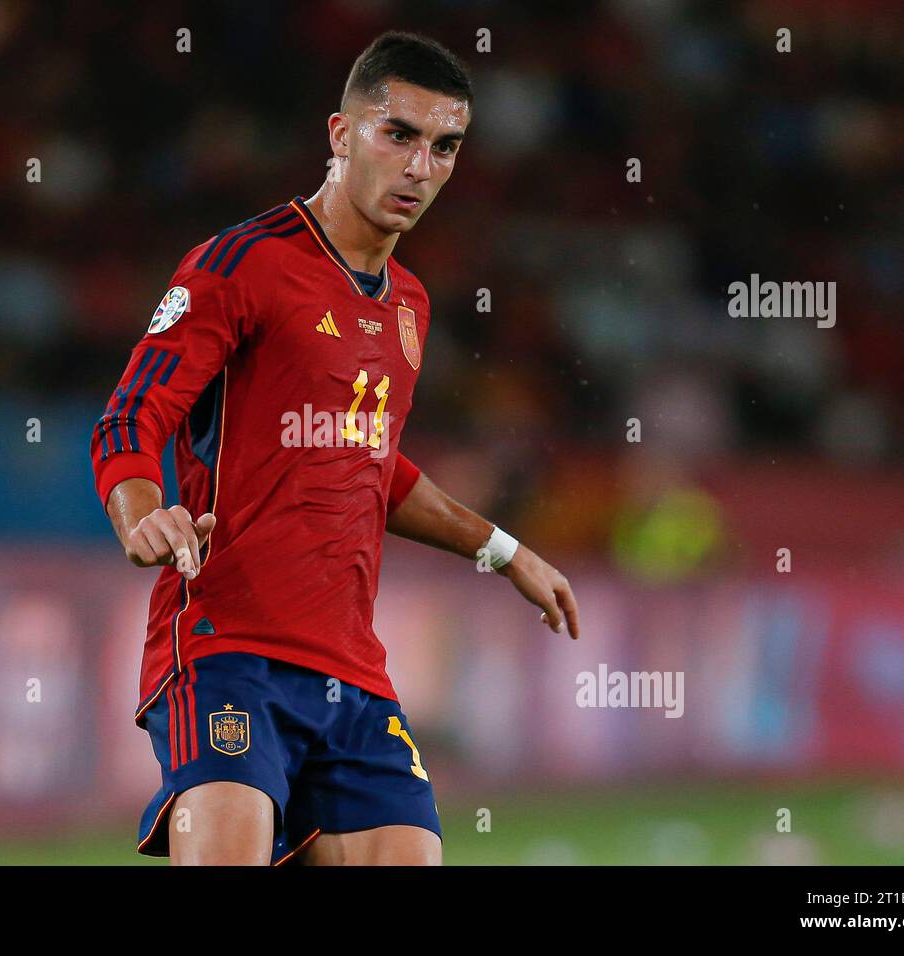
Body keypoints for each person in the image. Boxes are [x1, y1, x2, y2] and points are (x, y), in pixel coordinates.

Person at [90, 31, 580, 866]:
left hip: (352, 671)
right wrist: (139, 510)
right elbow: (130, 416)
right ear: (341, 133)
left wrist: (504, 550)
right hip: (227, 648)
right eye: (400, 134)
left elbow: (372, 465)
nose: (422, 167)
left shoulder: (410, 307)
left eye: (446, 146)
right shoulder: (238, 266)